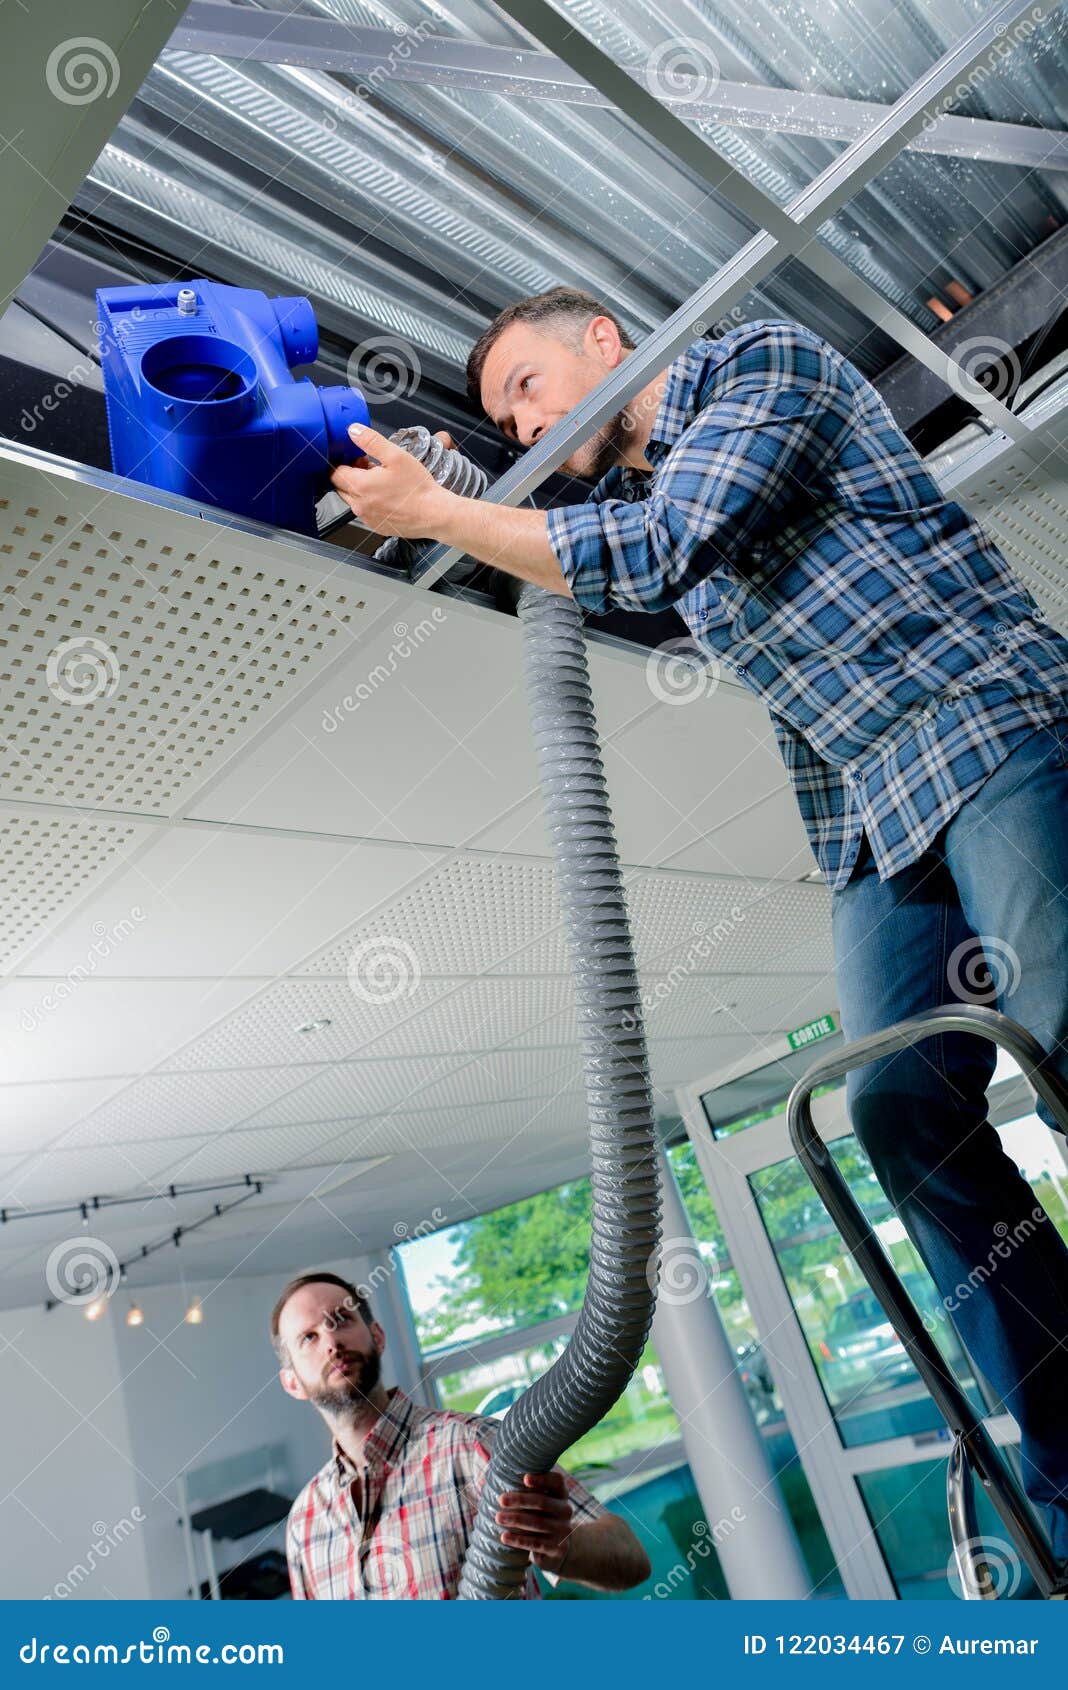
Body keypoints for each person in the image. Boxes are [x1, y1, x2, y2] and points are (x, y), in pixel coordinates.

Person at [329, 287, 1068, 1564]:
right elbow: (586, 542)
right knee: (894, 1116)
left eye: (525, 384)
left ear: (603, 340)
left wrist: (448, 508)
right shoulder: (615, 500)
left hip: (990, 722)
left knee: (1065, 1032)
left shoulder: (759, 363)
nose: (522, 418)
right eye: (503, 411)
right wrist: (431, 478)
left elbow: (665, 546)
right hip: (876, 821)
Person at [272, 1271, 651, 1598]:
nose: (331, 1342)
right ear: (292, 1383)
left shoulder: (474, 1445)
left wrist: (560, 1544)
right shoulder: (305, 1522)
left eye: (341, 1319)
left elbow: (631, 1558)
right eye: (308, 1337)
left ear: (378, 1336)